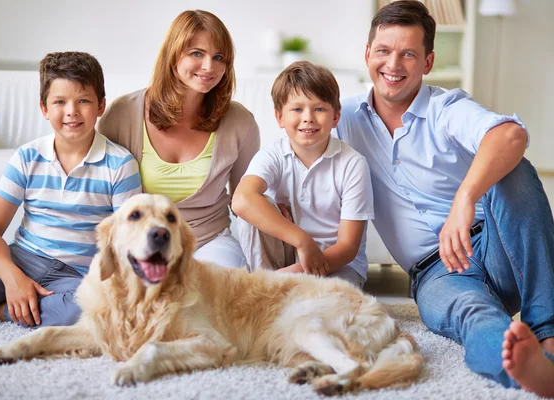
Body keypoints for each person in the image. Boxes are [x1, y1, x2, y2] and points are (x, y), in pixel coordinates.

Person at [335, 1, 554, 397]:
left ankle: (548, 333)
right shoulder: (344, 116)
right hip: (436, 275)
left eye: (408, 54)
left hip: (494, 245)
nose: (393, 64)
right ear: (367, 54)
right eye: (383, 51)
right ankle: (529, 369)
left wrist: (464, 198)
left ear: (428, 61)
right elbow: (297, 152)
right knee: (477, 319)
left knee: (515, 169)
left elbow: (511, 136)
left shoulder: (445, 106)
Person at [0, 52, 142, 328]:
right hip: (21, 260)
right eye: (59, 102)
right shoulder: (28, 157)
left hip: (77, 274)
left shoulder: (121, 164)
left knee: (92, 312)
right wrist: (13, 279)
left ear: (101, 105)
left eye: (84, 101)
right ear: (43, 108)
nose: (72, 111)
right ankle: (17, 300)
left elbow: (126, 242)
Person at [97, 10, 260, 269]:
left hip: (209, 241)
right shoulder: (122, 114)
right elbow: (99, 192)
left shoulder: (240, 121)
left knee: (218, 293)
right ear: (173, 54)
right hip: (141, 242)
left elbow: (248, 197)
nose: (209, 67)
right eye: (197, 53)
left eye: (219, 57)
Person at [232, 61, 374, 288]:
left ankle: (268, 287)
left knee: (328, 309)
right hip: (287, 257)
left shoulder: (353, 164)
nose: (308, 118)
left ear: (336, 116)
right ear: (280, 117)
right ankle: (266, 289)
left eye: (319, 109)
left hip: (336, 264)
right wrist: (302, 240)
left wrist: (286, 276)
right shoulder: (273, 155)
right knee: (255, 207)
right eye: (297, 109)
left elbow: (347, 248)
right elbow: (241, 200)